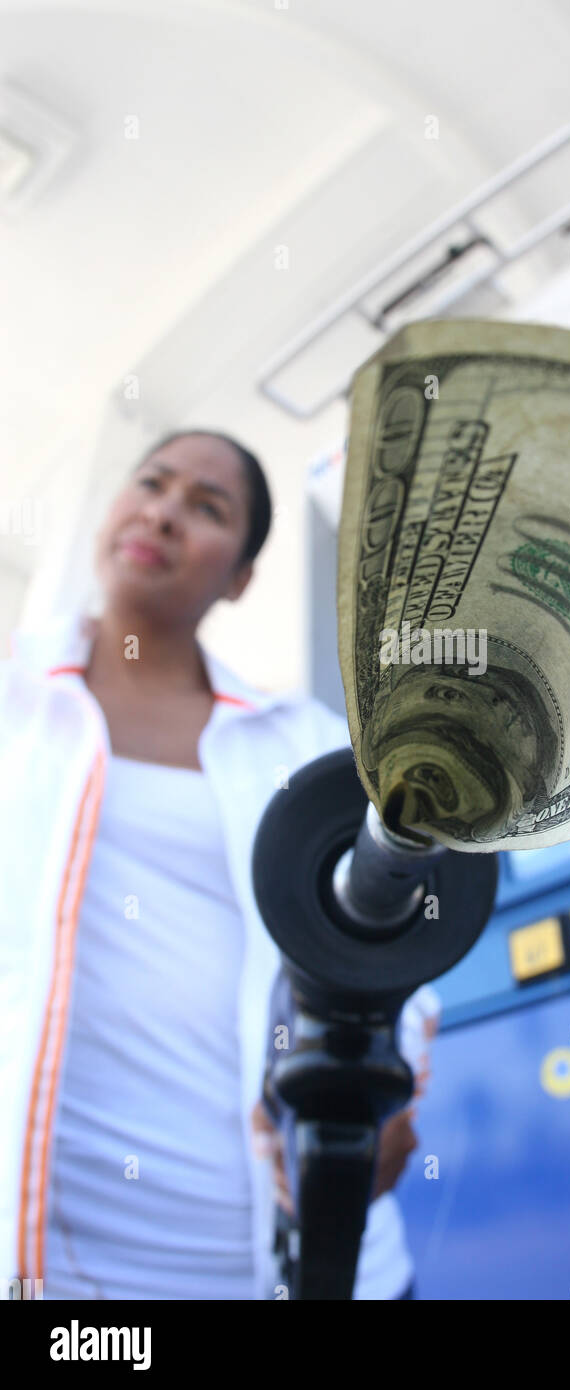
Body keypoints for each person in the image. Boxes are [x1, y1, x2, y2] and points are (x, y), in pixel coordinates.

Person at [0, 429, 437, 1300]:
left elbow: (397, 943)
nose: (162, 513)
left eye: (206, 509)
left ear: (238, 576)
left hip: (294, 1258)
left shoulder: (302, 743)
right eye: (151, 483)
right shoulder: (15, 704)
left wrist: (384, 1096)